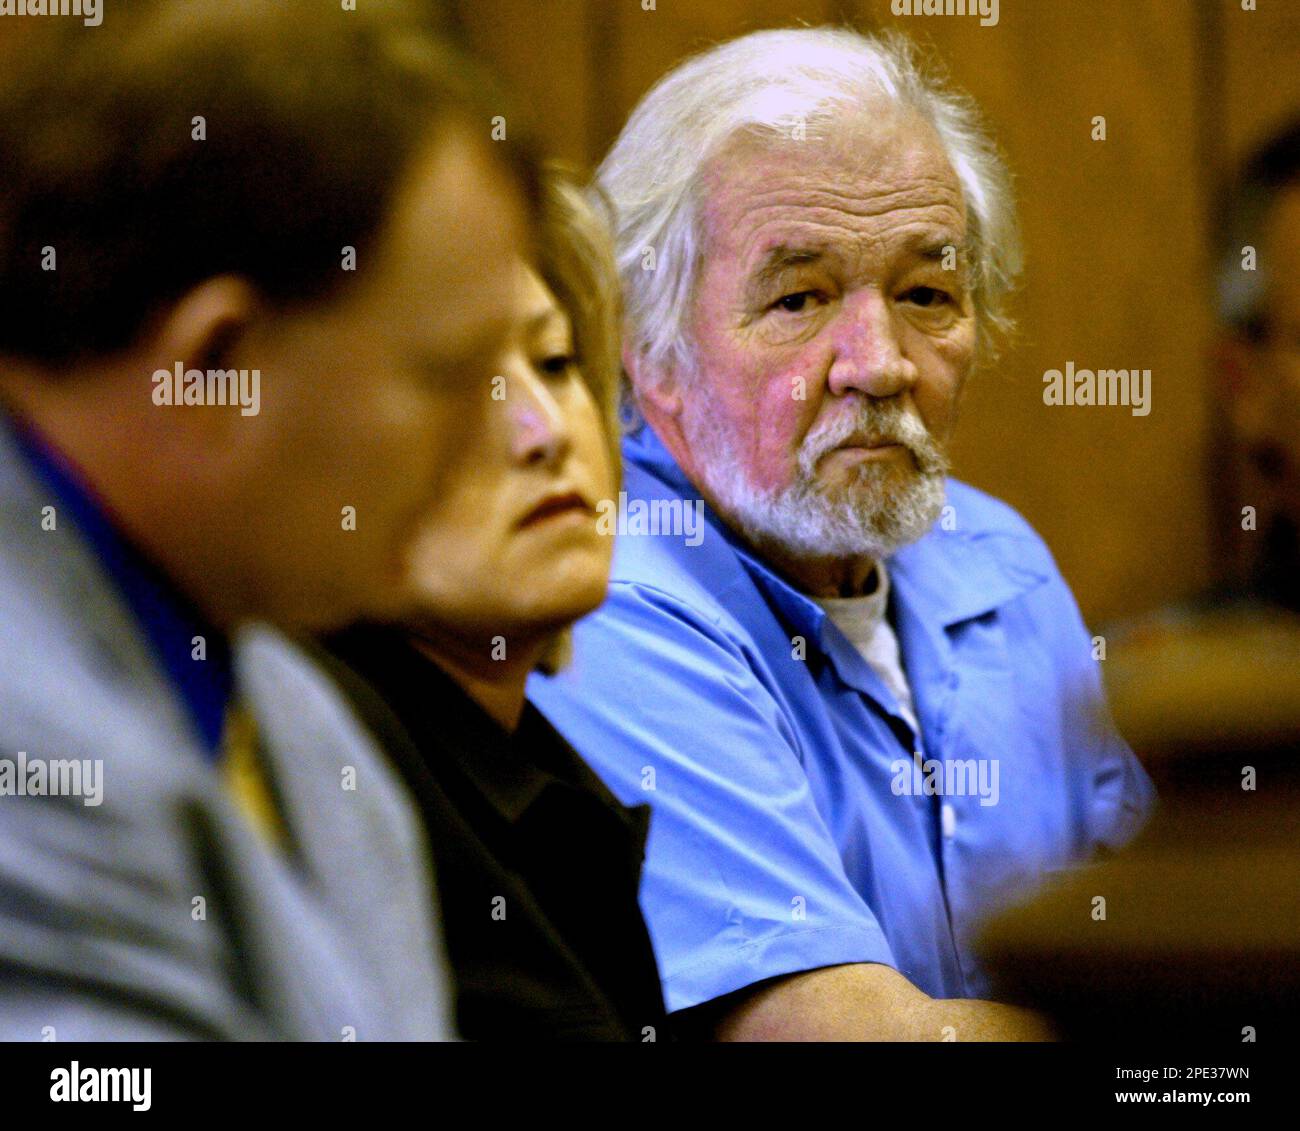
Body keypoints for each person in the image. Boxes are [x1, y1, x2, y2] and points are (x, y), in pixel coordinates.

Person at [527, 27, 1156, 1041]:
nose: (878, 363)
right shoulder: (603, 592)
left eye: (923, 294)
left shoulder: (996, 561)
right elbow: (833, 1033)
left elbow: (1158, 931)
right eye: (799, 298)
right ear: (647, 348)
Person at [0, 0, 536, 1040]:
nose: (502, 437)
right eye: (448, 377)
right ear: (215, 367)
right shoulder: (32, 760)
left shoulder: (301, 719)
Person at [323, 169, 669, 1041]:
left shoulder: (533, 769)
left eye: (556, 363)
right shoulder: (334, 765)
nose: (544, 428)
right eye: (458, 385)